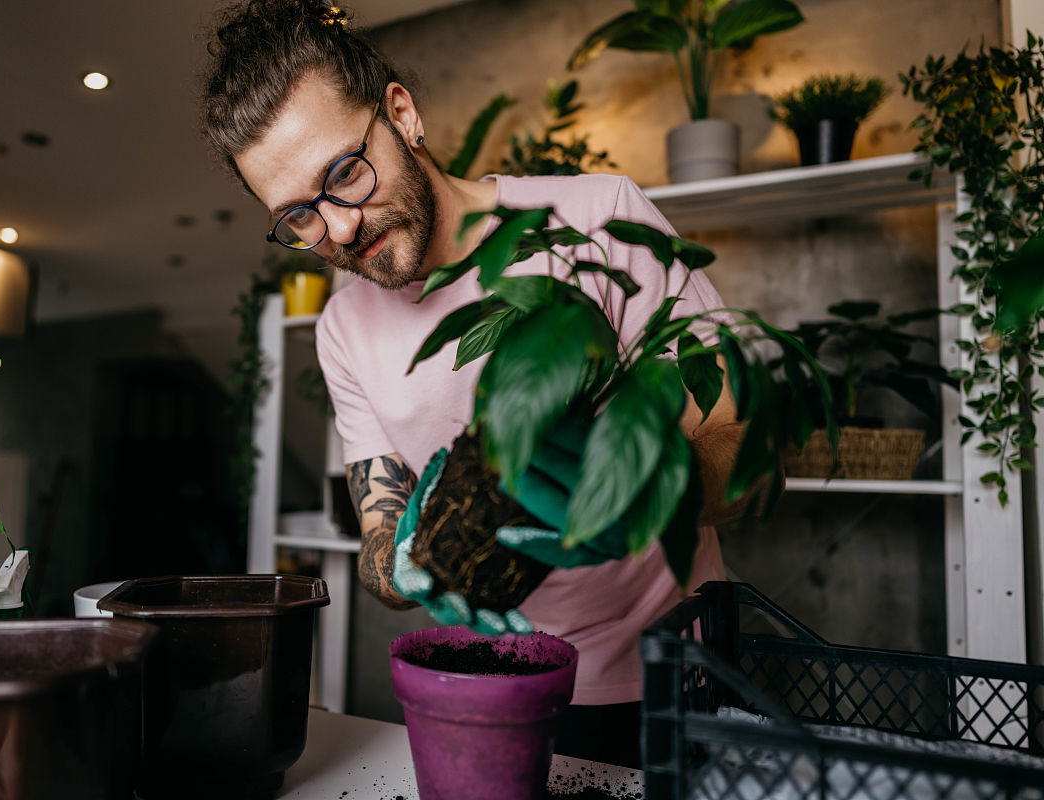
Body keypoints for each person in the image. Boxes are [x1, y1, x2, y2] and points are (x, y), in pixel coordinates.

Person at [201, 0, 749, 767]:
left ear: (402, 112)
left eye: (344, 175)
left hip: (672, 679)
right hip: (491, 690)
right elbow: (380, 549)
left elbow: (742, 451)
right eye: (299, 216)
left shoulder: (598, 220)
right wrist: (412, 553)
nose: (341, 228)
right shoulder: (343, 330)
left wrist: (646, 487)